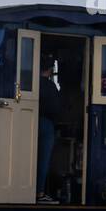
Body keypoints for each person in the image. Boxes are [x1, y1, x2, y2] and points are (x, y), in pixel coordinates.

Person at [37, 59, 63, 203]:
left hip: (28, 121)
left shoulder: (30, 83)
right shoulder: (50, 86)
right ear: (49, 70)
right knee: (43, 160)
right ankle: (39, 193)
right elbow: (56, 109)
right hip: (46, 123)